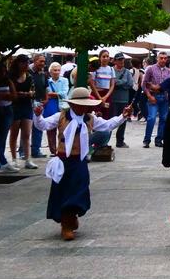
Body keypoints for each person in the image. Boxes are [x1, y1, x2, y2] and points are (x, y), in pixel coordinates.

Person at [32, 88, 132, 240]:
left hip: (79, 162)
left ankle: (72, 217)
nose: (83, 108)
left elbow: (107, 125)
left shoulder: (90, 118)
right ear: (73, 105)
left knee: (79, 190)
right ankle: (66, 224)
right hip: (63, 161)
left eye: (86, 105)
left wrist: (122, 117)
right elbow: (43, 125)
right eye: (80, 105)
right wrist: (38, 115)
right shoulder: (61, 116)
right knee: (63, 192)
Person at [7, 55, 38, 170]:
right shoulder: (11, 76)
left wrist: (29, 94)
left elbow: (33, 91)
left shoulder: (29, 76)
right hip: (14, 107)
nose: (26, 65)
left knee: (26, 134)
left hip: (26, 106)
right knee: (14, 134)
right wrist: (22, 94)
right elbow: (11, 92)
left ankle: (27, 159)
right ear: (18, 63)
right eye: (23, 63)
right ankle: (14, 159)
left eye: (27, 63)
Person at [143, 52, 170, 148]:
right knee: (151, 118)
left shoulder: (169, 71)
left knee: (164, 119)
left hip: (164, 97)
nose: (163, 60)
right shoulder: (150, 69)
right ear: (157, 59)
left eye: (165, 58)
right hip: (153, 96)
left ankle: (159, 140)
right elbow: (144, 84)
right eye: (161, 58)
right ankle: (147, 140)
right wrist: (149, 96)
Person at [42, 62, 70, 156]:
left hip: (62, 106)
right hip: (51, 106)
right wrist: (57, 94)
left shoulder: (65, 80)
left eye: (58, 70)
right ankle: (53, 151)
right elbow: (47, 93)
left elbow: (64, 93)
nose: (57, 72)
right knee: (50, 130)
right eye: (55, 70)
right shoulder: (47, 81)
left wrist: (52, 94)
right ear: (50, 72)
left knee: (63, 129)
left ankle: (62, 149)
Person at [108, 53, 133, 148]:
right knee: (110, 121)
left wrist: (116, 84)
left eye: (122, 59)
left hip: (123, 99)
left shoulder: (127, 72)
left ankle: (120, 141)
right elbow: (110, 83)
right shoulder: (111, 70)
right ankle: (105, 141)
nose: (121, 61)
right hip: (113, 99)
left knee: (123, 121)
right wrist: (122, 83)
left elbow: (130, 84)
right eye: (119, 59)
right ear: (114, 61)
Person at [29, 54, 49, 159]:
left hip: (40, 101)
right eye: (41, 61)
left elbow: (45, 87)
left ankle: (36, 150)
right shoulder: (29, 72)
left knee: (39, 125)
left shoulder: (42, 73)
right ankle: (23, 150)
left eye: (44, 61)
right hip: (30, 101)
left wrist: (46, 98)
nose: (43, 63)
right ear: (35, 61)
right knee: (27, 127)